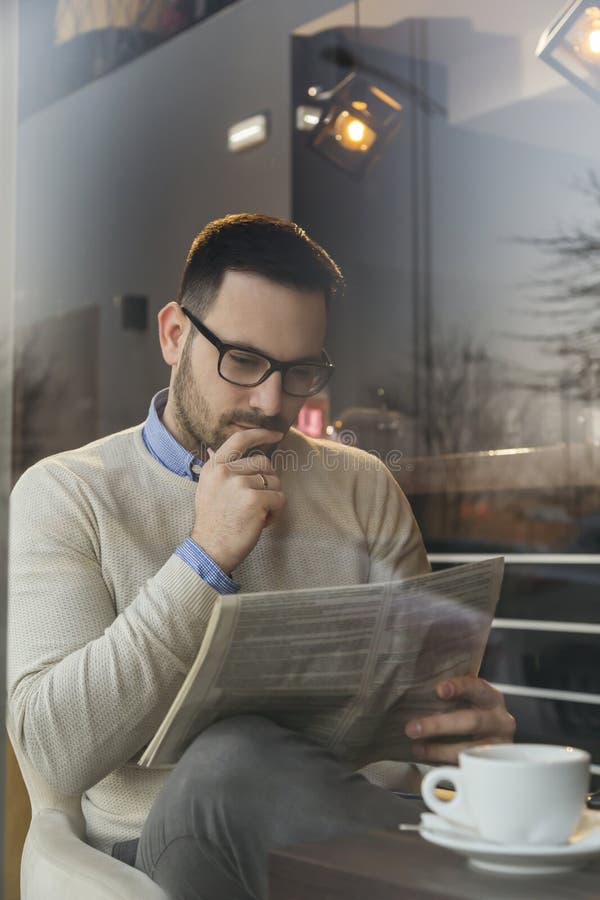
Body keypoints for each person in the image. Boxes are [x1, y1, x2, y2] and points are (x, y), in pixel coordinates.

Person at [8, 213, 514, 900]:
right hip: (164, 847)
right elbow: (52, 750)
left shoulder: (362, 485)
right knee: (232, 759)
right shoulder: (68, 494)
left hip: (362, 845)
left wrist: (464, 736)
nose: (271, 401)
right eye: (243, 361)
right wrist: (204, 556)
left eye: (299, 371)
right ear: (174, 335)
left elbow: (417, 724)